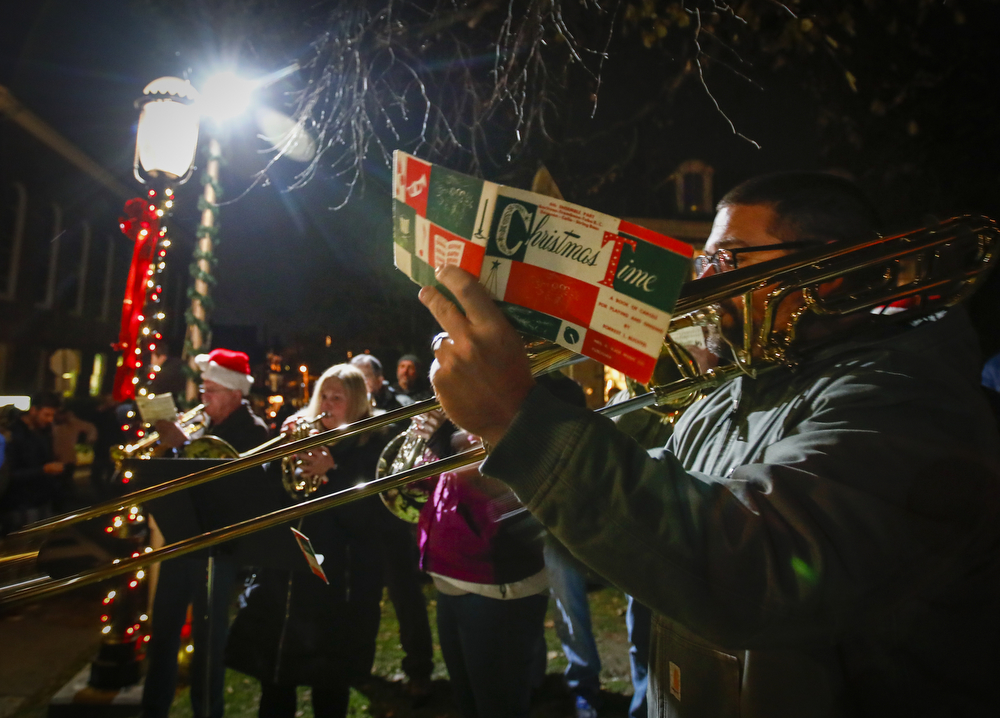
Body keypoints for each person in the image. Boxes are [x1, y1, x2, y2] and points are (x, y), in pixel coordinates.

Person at [419, 172, 1000, 716]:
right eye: (705, 259)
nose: (702, 280)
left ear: (828, 270)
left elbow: (753, 568)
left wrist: (525, 422)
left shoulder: (909, 402)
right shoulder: (733, 392)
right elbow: (663, 512)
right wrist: (531, 407)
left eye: (727, 259)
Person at [225, 364, 385, 718]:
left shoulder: (370, 445)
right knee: (275, 686)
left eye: (337, 398)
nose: (327, 404)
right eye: (323, 396)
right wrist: (278, 455)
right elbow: (268, 498)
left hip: (333, 588)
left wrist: (334, 474)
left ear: (356, 402)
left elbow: (368, 522)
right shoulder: (303, 434)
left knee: (329, 691)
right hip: (282, 581)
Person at [141, 348, 270, 718]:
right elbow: (173, 482)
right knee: (162, 636)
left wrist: (182, 444)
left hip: (217, 550)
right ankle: (154, 709)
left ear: (234, 393)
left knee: (209, 643)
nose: (203, 399)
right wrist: (167, 448)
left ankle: (207, 712)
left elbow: (233, 489)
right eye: (203, 390)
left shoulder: (252, 430)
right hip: (181, 542)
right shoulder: (204, 425)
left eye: (211, 391)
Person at [416, 423, 548, 718]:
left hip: (495, 588)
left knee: (498, 706)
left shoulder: (504, 416)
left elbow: (507, 499)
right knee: (468, 703)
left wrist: (451, 453)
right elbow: (437, 492)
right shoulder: (457, 427)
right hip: (450, 579)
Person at [349, 352, 436, 699]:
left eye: (361, 378)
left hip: (389, 518)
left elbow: (408, 447)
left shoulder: (399, 403)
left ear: (376, 379)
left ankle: (419, 671)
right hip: (358, 518)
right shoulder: (351, 409)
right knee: (361, 598)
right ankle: (359, 668)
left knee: (405, 596)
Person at [0, 392, 64, 534]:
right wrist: (43, 469)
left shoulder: (43, 432)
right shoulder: (12, 434)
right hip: (19, 505)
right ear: (34, 410)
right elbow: (8, 475)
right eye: (46, 415)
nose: (50, 420)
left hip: (42, 500)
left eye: (52, 415)